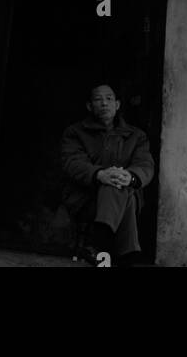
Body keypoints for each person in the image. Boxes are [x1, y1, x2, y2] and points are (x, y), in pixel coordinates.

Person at [60, 82, 155, 266]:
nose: (104, 103)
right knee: (115, 185)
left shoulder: (136, 136)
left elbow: (145, 164)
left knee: (120, 183)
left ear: (117, 105)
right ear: (89, 106)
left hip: (123, 194)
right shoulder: (75, 133)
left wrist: (131, 177)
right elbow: (72, 162)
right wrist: (99, 174)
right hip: (85, 198)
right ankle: (128, 255)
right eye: (98, 99)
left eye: (109, 99)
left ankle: (97, 245)